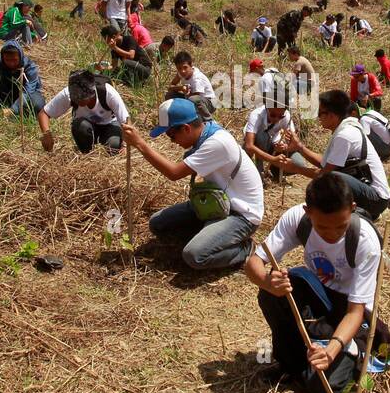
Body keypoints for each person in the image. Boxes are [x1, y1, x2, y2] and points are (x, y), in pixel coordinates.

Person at [244, 174, 390, 393]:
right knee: (272, 295)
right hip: (319, 294)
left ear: (352, 208)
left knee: (325, 388)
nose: (332, 234)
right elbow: (253, 264)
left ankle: (340, 356)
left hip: (349, 310)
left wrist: (331, 351)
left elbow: (355, 312)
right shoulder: (298, 220)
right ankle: (291, 364)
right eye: (323, 228)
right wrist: (269, 283)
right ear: (308, 212)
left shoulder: (364, 240)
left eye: (340, 226)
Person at [122, 97, 263, 271]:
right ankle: (210, 236)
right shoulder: (206, 133)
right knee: (158, 224)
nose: (172, 141)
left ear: (186, 128)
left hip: (241, 214)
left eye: (171, 135)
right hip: (216, 203)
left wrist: (140, 144)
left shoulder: (217, 143)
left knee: (195, 255)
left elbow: (173, 173)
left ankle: (244, 249)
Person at [277, 90, 390, 220]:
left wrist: (296, 168)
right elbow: (325, 163)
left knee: (330, 180)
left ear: (332, 115)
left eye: (320, 113)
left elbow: (325, 174)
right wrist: (300, 148)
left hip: (376, 199)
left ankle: (358, 213)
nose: (318, 117)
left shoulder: (345, 135)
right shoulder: (344, 130)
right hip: (368, 191)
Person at [0, 41, 53, 150]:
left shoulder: (30, 67)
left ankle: (19, 114)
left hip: (27, 96)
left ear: (20, 56)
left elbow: (28, 91)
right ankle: (5, 107)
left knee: (38, 104)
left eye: (14, 60)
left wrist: (13, 109)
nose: (11, 63)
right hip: (7, 93)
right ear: (3, 57)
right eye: (8, 60)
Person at [41, 69, 129, 154]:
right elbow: (44, 113)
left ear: (92, 92)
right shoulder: (68, 94)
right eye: (75, 98)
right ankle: (86, 152)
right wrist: (46, 134)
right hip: (87, 127)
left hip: (110, 124)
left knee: (113, 146)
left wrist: (125, 145)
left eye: (82, 98)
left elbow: (126, 121)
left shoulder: (107, 92)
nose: (78, 101)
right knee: (80, 126)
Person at [243, 100, 293, 182]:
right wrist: (273, 159)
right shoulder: (257, 115)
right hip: (256, 144)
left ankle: (274, 171)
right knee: (260, 137)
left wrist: (284, 147)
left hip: (272, 145)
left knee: (298, 162)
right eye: (273, 115)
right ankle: (257, 172)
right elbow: (249, 146)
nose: (277, 119)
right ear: (267, 109)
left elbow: (293, 141)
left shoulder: (286, 115)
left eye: (280, 116)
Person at [167, 51, 216, 121]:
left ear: (191, 65)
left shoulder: (197, 78)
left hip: (209, 103)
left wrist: (187, 92)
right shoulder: (180, 74)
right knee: (170, 95)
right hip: (191, 98)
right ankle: (177, 117)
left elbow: (196, 98)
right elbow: (171, 86)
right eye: (179, 68)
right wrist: (180, 88)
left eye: (185, 67)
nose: (182, 71)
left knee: (193, 99)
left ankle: (208, 120)